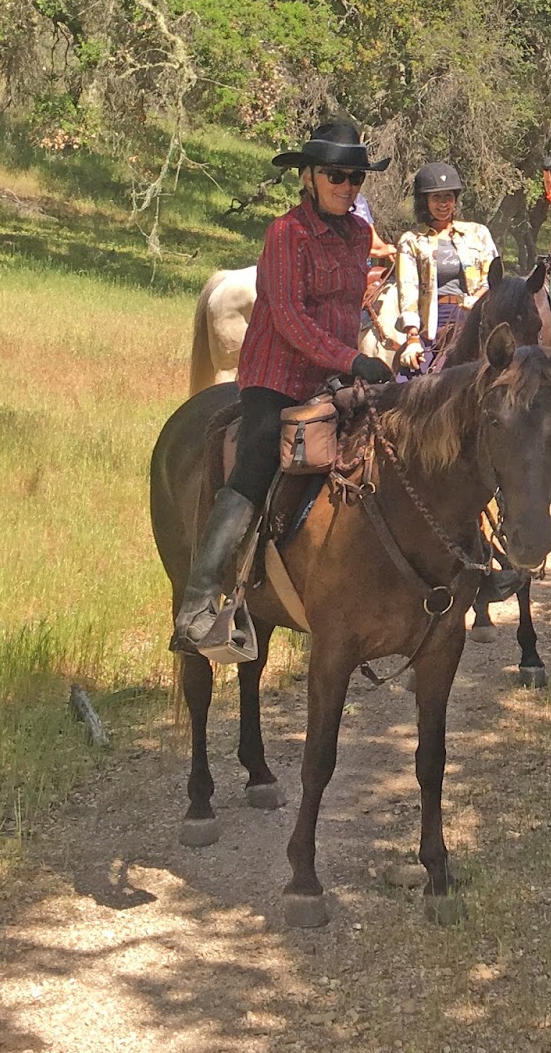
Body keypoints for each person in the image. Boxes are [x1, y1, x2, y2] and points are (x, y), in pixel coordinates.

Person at [169, 118, 395, 659]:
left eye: (356, 178)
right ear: (311, 177)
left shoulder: (361, 235)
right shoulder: (285, 233)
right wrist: (354, 359)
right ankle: (198, 605)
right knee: (253, 467)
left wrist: (362, 359)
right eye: (337, 175)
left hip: (335, 377)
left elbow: (345, 308)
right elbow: (291, 320)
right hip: (277, 378)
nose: (347, 186)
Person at [396, 162, 499, 373]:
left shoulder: (478, 233)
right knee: (410, 382)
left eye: (448, 197)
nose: (443, 204)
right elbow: (408, 290)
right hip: (432, 320)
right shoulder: (411, 241)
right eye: (436, 198)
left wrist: (477, 297)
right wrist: (413, 337)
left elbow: (494, 274)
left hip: (475, 314)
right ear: (425, 202)